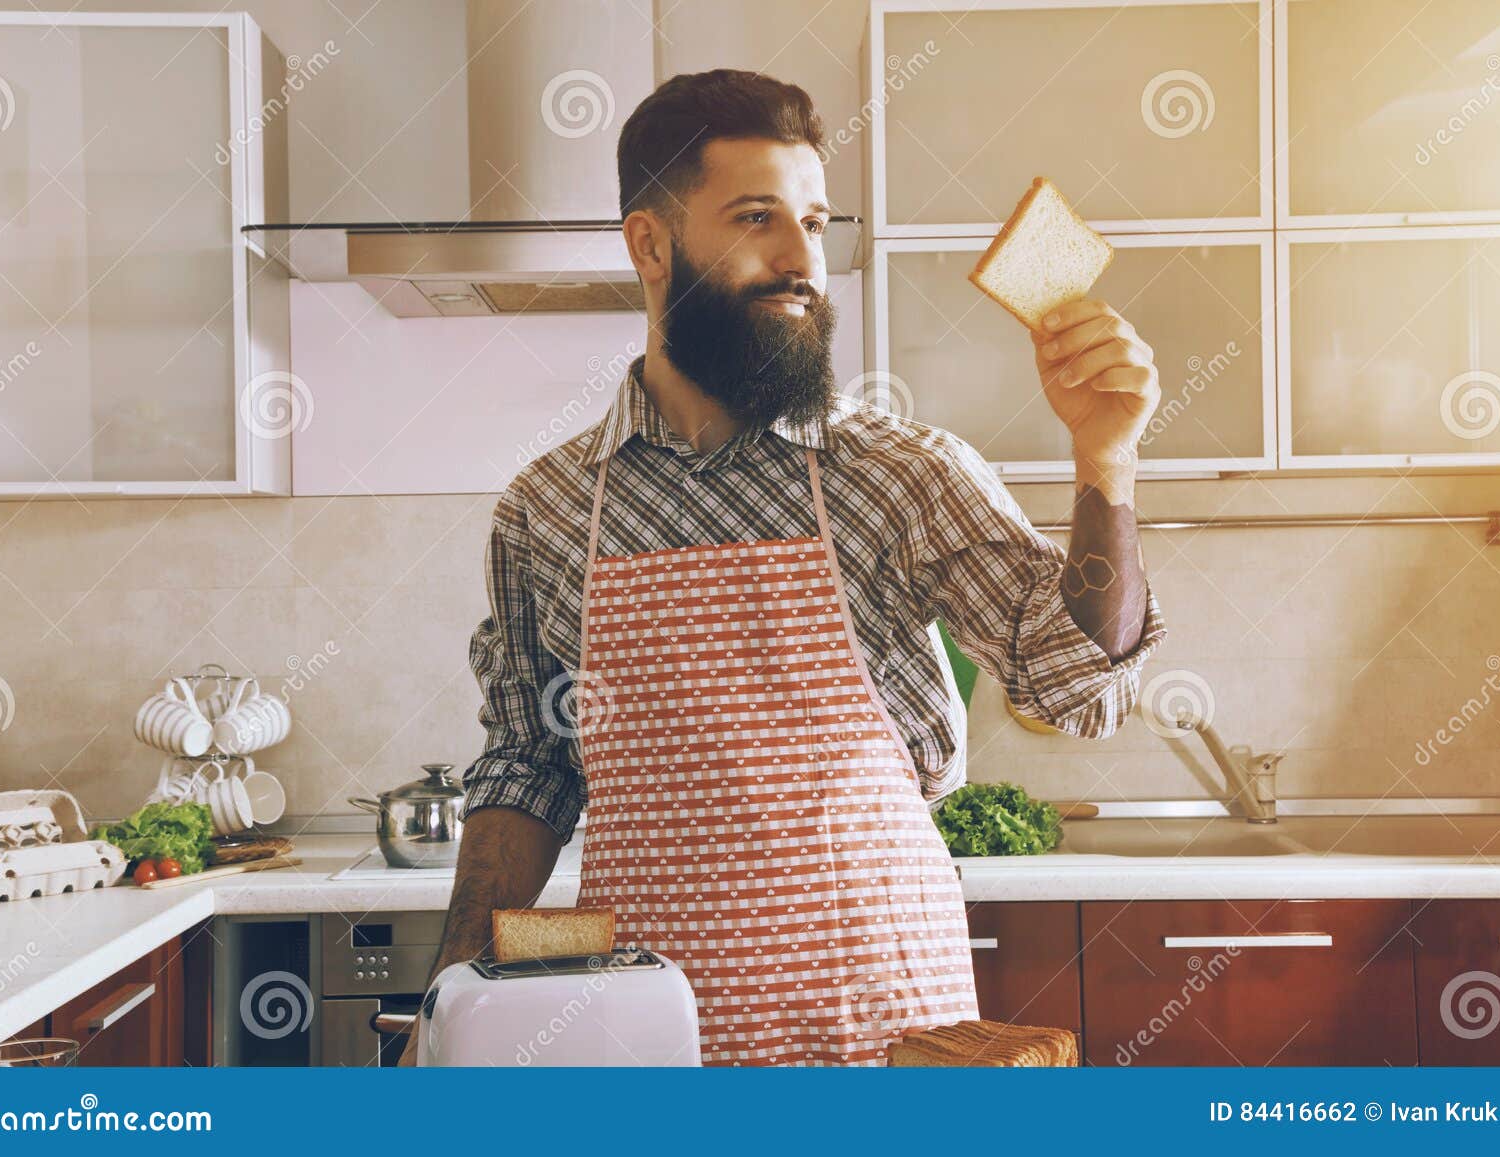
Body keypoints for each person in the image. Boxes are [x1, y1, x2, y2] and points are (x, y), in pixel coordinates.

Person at [401, 68, 1166, 1067]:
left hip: (884, 1022)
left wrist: (1106, 459)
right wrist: (448, 999)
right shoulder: (547, 509)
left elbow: (1079, 687)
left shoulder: (897, 473)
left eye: (812, 221)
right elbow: (528, 763)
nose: (800, 257)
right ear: (649, 243)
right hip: (645, 1028)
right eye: (758, 217)